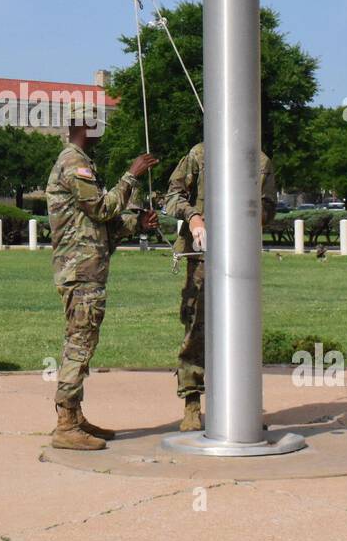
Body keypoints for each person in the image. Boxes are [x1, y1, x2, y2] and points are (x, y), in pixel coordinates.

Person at [46, 102, 158, 450]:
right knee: (79, 344)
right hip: (80, 273)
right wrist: (132, 174)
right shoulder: (73, 162)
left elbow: (99, 224)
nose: (101, 131)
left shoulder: (82, 163)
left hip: (86, 269)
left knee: (82, 342)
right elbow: (102, 208)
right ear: (85, 127)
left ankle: (74, 416)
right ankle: (65, 425)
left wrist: (136, 224)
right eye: (97, 125)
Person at [163, 141, 276, 432]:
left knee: (241, 334)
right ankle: (191, 404)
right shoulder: (200, 155)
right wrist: (193, 217)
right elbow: (172, 197)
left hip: (240, 260)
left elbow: (269, 208)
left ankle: (241, 408)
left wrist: (247, 216)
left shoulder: (259, 162)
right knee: (196, 329)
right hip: (201, 258)